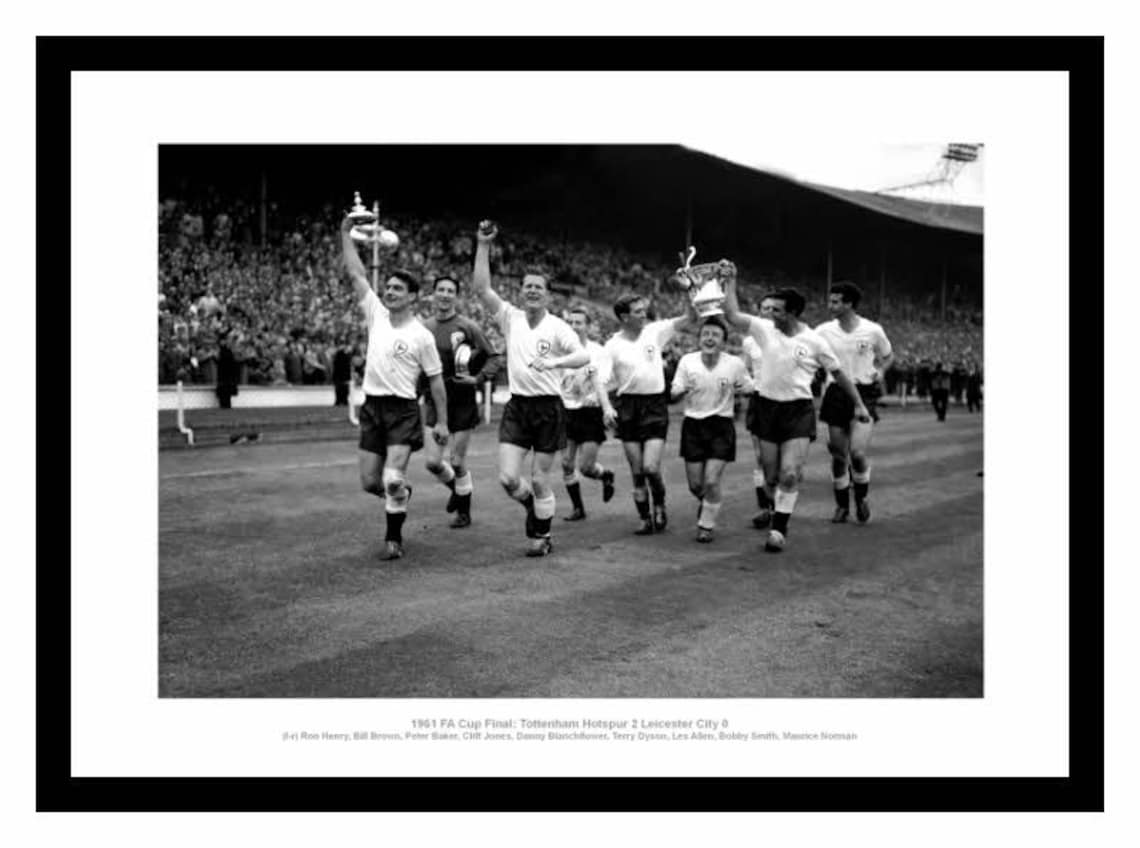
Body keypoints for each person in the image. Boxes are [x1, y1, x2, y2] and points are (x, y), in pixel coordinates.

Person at [723, 269, 870, 553]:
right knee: (771, 477)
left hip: (798, 412)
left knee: (790, 474)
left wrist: (860, 404)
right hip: (766, 409)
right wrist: (731, 280)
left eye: (776, 310)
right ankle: (775, 505)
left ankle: (779, 529)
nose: (769, 314)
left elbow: (839, 375)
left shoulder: (814, 341)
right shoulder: (763, 330)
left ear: (791, 313)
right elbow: (732, 315)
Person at [471, 220, 589, 557]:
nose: (532, 290)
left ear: (548, 294)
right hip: (518, 407)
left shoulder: (558, 327)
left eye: (538, 286)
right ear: (521, 291)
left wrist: (553, 363)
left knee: (539, 479)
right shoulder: (510, 318)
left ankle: (543, 535)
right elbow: (482, 289)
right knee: (509, 479)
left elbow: (581, 355)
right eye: (527, 286)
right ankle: (530, 508)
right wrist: (483, 245)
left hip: (549, 408)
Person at [340, 214, 450, 561]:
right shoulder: (376, 314)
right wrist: (346, 233)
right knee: (370, 483)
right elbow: (357, 273)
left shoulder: (422, 336)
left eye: (397, 289)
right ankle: (400, 495)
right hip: (372, 408)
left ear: (413, 297)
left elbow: (435, 380)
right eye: (387, 287)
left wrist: (442, 421)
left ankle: (393, 539)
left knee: (390, 477)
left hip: (403, 410)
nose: (388, 292)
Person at [604, 291, 696, 535]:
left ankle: (660, 504)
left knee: (651, 468)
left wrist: (688, 291)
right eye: (638, 312)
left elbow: (690, 317)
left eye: (644, 310)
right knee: (636, 471)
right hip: (628, 408)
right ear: (624, 317)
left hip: (655, 406)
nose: (644, 315)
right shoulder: (612, 345)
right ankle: (644, 518)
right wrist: (606, 406)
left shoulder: (655, 331)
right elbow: (601, 381)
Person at [420, 274, 499, 529]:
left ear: (456, 296)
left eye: (449, 290)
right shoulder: (423, 327)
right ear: (433, 294)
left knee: (456, 461)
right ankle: (458, 488)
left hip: (463, 402)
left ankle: (464, 512)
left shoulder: (468, 326)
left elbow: (494, 358)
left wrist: (478, 379)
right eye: (440, 289)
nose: (444, 294)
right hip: (434, 402)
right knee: (433, 462)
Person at [814, 281, 893, 525]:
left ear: (849, 304)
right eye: (830, 300)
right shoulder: (823, 331)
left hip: (865, 392)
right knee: (839, 455)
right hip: (836, 393)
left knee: (857, 453)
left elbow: (888, 355)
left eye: (836, 301)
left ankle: (861, 498)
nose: (831, 305)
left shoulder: (872, 330)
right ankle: (841, 506)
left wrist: (880, 372)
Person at [669, 315, 753, 543]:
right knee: (696, 485)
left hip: (721, 426)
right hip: (693, 426)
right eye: (705, 334)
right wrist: (678, 392)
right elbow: (675, 390)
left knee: (711, 481)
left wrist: (745, 389)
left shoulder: (734, 364)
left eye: (715, 335)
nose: (709, 338)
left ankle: (706, 525)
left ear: (724, 342)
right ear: (698, 339)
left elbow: (748, 387)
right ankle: (707, 504)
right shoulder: (687, 361)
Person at [558, 306, 618, 521]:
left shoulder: (598, 352)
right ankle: (578, 508)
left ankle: (605, 475)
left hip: (590, 414)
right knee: (566, 463)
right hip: (567, 412)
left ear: (588, 326)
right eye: (571, 322)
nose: (574, 327)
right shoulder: (560, 351)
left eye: (579, 322)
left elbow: (608, 381)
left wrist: (599, 399)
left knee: (586, 467)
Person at [741, 294, 777, 528]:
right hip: (759, 402)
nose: (769, 312)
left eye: (774, 308)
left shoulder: (792, 337)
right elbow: (744, 369)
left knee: (779, 465)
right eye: (764, 308)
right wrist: (750, 384)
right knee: (760, 458)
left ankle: (779, 506)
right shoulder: (750, 341)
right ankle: (765, 508)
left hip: (786, 403)